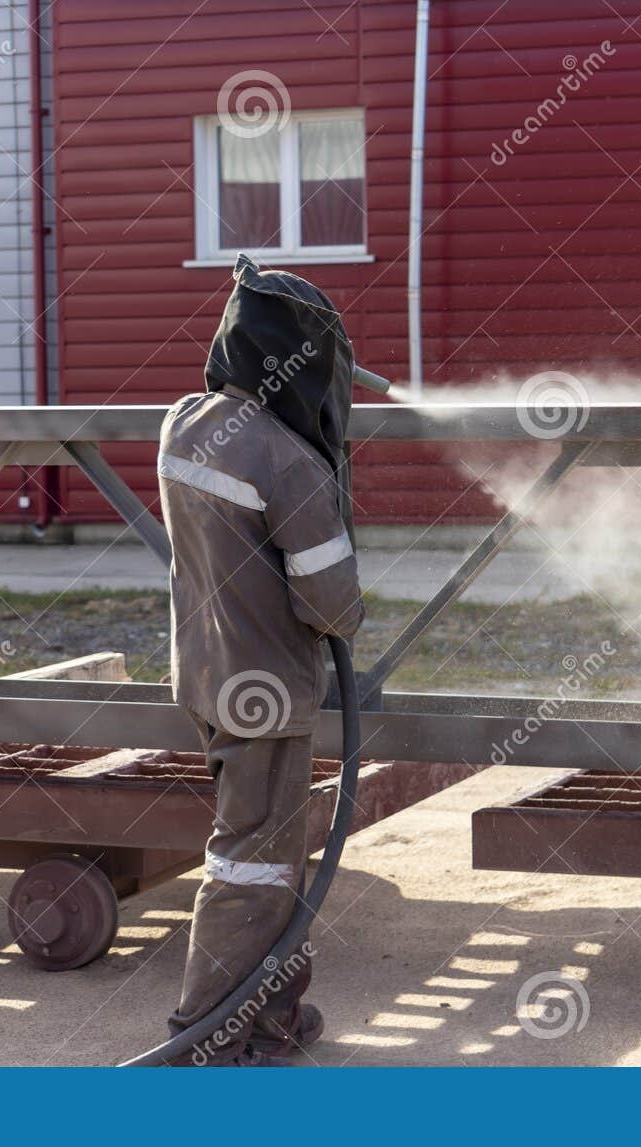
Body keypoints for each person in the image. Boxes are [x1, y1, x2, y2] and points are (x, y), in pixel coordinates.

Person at [156, 255, 365, 1066]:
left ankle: (273, 1013)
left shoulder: (184, 420)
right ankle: (206, 1029)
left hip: (206, 675)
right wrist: (329, 491)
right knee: (250, 860)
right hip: (270, 692)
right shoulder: (287, 462)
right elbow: (332, 606)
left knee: (271, 851)